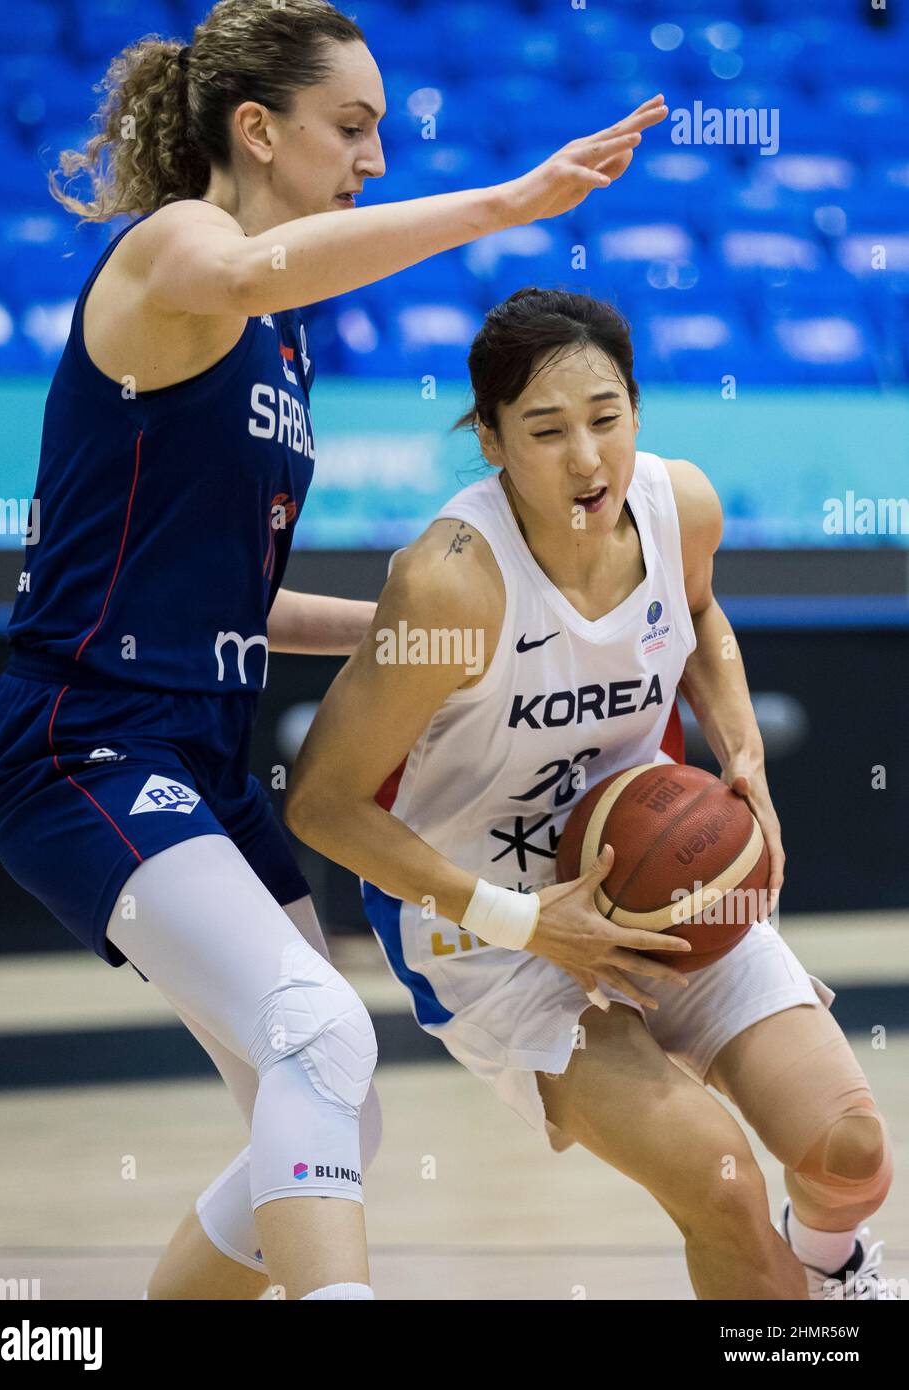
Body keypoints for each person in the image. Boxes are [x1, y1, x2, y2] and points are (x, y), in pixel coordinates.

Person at [0, 0, 668, 1301]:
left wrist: (451, 633)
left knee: (334, 1108)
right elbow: (250, 268)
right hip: (85, 746)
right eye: (350, 127)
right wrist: (510, 200)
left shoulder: (282, 343)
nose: (371, 157)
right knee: (316, 1029)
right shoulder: (181, 250)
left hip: (201, 749)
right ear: (257, 127)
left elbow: (248, 599)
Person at [282, 287, 895, 1300]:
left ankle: (835, 1267)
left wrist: (741, 755)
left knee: (849, 1151)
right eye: (546, 430)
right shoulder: (450, 584)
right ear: (488, 439)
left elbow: (701, 617)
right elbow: (321, 802)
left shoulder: (678, 506)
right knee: (722, 1178)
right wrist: (519, 919)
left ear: (637, 413)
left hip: (655, 890)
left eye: (606, 420)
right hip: (483, 929)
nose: (587, 460)